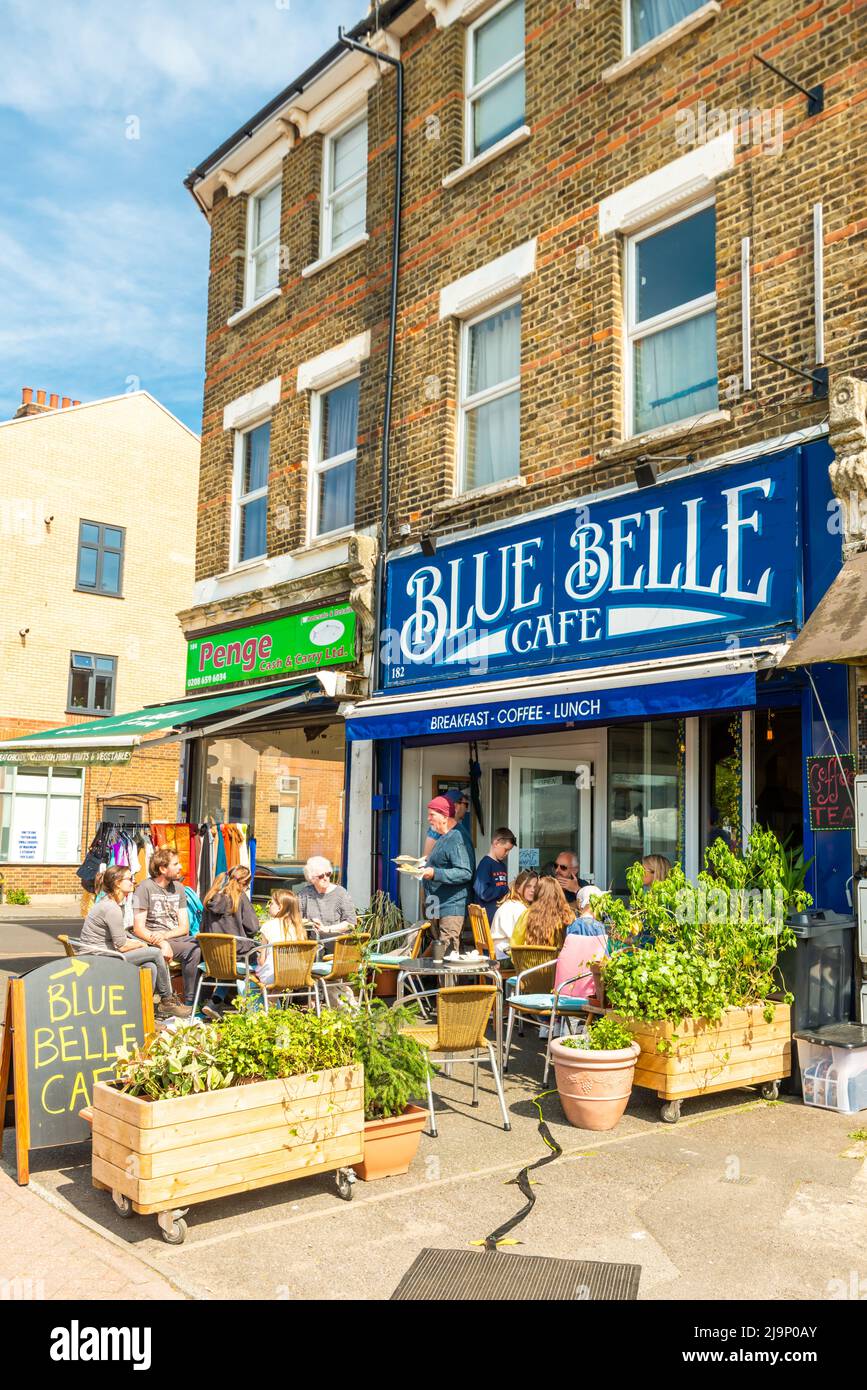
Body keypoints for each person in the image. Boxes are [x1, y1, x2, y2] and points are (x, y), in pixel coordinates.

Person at [79, 865, 189, 1019]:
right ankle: (167, 1000)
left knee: (150, 966)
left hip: (104, 954)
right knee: (156, 952)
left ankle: (142, 1015)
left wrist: (139, 943)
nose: (133, 881)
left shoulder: (113, 904)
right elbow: (122, 945)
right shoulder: (111, 908)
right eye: (129, 879)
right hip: (99, 958)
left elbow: (120, 937)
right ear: (118, 883)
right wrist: (142, 944)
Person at [131, 847, 201, 1006]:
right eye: (175, 864)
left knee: (205, 946)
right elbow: (138, 928)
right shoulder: (144, 888)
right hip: (152, 940)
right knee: (194, 951)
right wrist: (161, 941)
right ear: (162, 868)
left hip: (174, 937)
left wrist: (165, 936)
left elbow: (184, 926)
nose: (180, 867)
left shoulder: (179, 888)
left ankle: (204, 998)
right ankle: (191, 1003)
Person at [198, 866, 261, 1018]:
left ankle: (215, 1002)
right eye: (247, 884)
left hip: (213, 958)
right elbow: (253, 927)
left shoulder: (210, 898)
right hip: (238, 957)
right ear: (244, 882)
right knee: (258, 959)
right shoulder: (239, 898)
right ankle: (255, 1010)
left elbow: (202, 927)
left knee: (232, 962)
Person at [420, 795, 475, 955]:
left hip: (451, 906)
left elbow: (465, 872)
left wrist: (434, 872)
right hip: (436, 903)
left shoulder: (457, 837)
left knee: (448, 956)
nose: (429, 819)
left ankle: (448, 981)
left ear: (445, 816)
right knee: (439, 951)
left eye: (432, 815)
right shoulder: (444, 835)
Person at [254, 889, 307, 988]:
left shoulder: (268, 926)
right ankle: (272, 1002)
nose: (269, 905)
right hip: (298, 974)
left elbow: (262, 961)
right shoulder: (299, 928)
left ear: (280, 907)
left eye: (272, 903)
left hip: (273, 976)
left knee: (252, 974)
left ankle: (262, 1002)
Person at [295, 857, 357, 935]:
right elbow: (295, 919)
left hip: (335, 940)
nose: (326, 878)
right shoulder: (304, 894)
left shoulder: (341, 893)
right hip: (312, 942)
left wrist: (326, 929)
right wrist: (309, 922)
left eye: (328, 874)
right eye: (321, 876)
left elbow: (350, 923)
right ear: (312, 878)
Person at [510, 875, 574, 950]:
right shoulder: (568, 915)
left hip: (530, 960)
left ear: (538, 892)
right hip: (558, 960)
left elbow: (515, 945)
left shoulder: (527, 914)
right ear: (559, 893)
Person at [490, 870, 538, 960]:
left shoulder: (513, 903)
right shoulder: (517, 908)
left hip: (500, 952)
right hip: (505, 956)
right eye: (528, 886)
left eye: (535, 887)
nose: (532, 890)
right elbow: (522, 940)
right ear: (517, 887)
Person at [472, 827, 516, 925]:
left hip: (499, 918)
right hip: (488, 921)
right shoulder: (485, 864)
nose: (507, 853)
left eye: (510, 850)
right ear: (496, 843)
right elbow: (483, 893)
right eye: (506, 849)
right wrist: (506, 888)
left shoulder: (502, 866)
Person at [422, 787, 473, 859]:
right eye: (466, 805)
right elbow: (426, 857)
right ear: (456, 806)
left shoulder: (458, 828)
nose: (466, 809)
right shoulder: (437, 828)